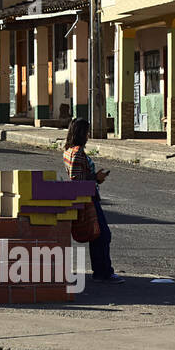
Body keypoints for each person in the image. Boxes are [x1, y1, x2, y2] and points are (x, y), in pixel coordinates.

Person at [63, 117, 124, 284]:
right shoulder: (77, 154)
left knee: (98, 235)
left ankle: (102, 271)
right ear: (82, 133)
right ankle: (103, 272)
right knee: (103, 235)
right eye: (87, 132)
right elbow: (77, 181)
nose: (89, 135)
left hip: (88, 197)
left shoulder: (70, 151)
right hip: (88, 199)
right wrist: (96, 178)